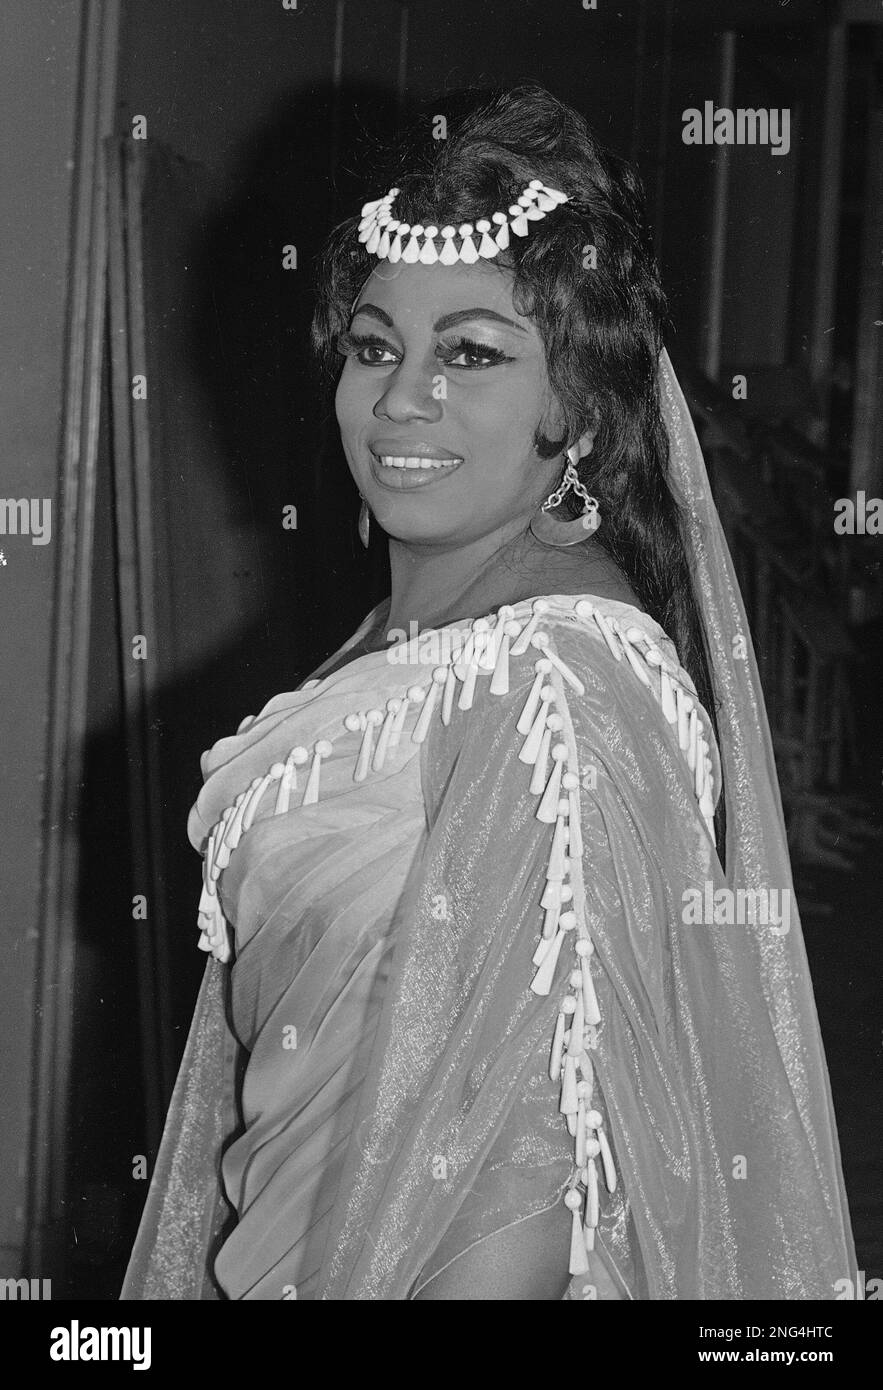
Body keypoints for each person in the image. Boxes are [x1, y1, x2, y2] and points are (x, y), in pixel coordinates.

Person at [121, 84, 855, 1300]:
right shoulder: (416, 642)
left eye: (471, 352)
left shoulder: (554, 680)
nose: (404, 396)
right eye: (374, 346)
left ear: (575, 404)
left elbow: (528, 1179)